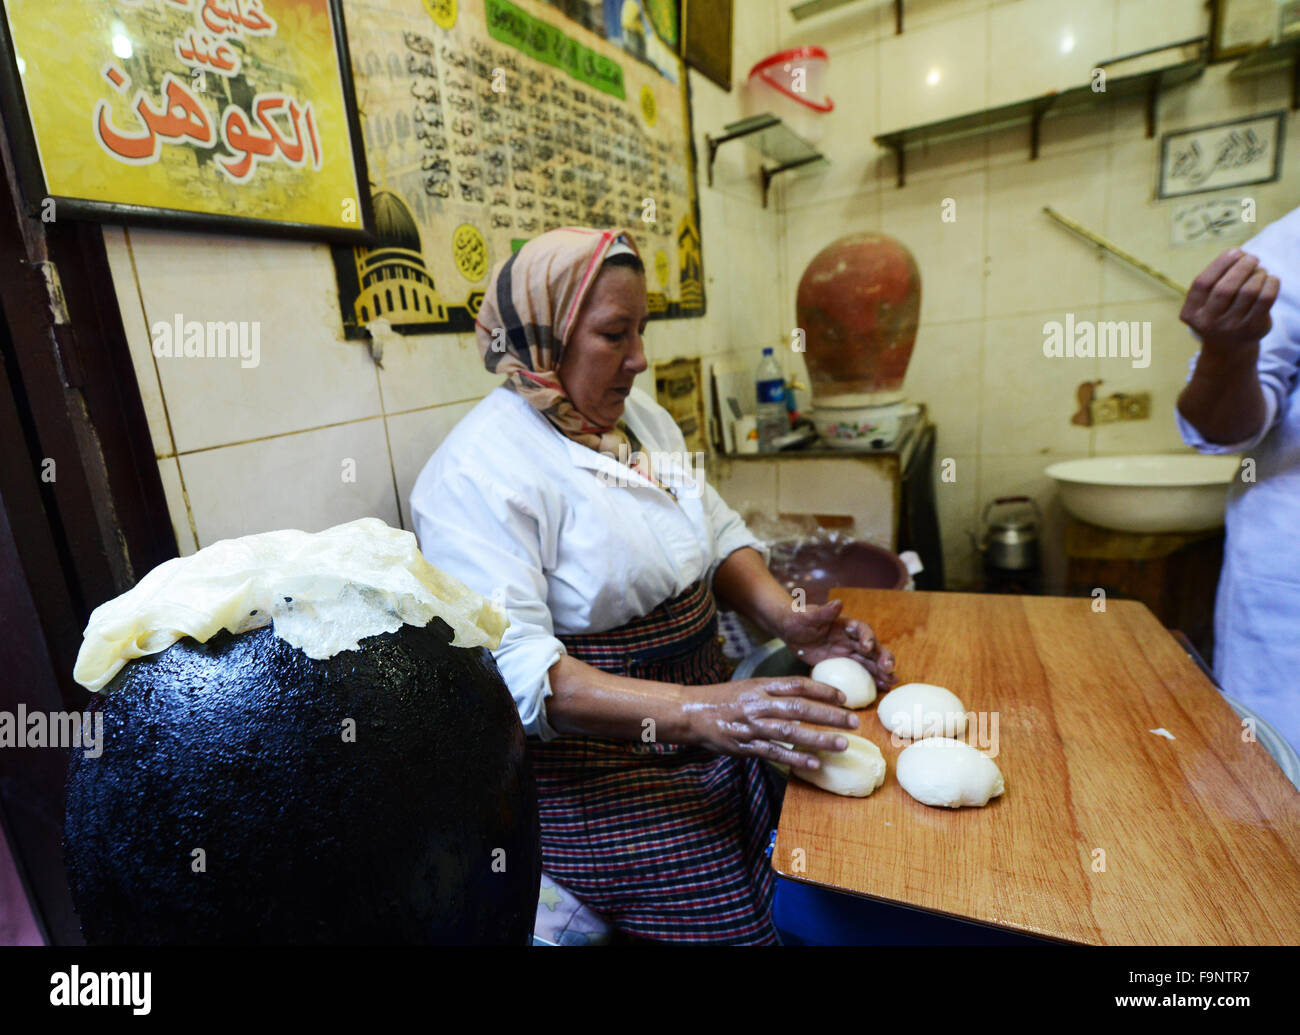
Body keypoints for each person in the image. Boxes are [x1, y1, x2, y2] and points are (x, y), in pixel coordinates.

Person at [410, 227, 896, 944]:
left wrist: (787, 619)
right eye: (614, 334)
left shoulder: (642, 421)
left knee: (820, 873)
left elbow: (718, 531)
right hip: (604, 781)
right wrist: (707, 712)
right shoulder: (476, 476)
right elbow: (527, 681)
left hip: (713, 736)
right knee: (756, 929)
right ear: (544, 341)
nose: (640, 358)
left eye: (641, 329)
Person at [1175, 205, 1298, 755]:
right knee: (1274, 801)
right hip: (1287, 592)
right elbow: (1223, 429)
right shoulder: (1286, 253)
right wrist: (1229, 350)